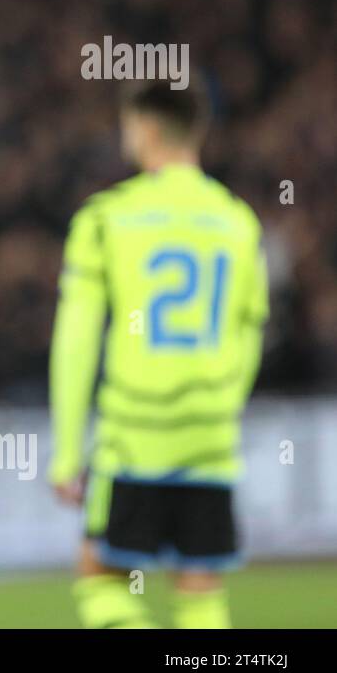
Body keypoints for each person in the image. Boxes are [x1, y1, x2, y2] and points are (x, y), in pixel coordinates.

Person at [49, 78, 269, 628]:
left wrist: (67, 451)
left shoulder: (106, 218)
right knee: (200, 587)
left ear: (144, 128)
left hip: (133, 429)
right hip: (211, 432)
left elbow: (77, 338)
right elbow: (251, 332)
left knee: (99, 578)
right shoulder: (238, 222)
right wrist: (223, 406)